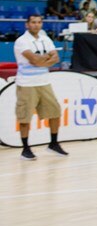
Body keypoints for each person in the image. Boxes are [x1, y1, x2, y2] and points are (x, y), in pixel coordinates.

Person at [15, 14, 68, 161]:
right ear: (27, 24)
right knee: (25, 117)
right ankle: (25, 149)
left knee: (55, 112)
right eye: (33, 22)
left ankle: (53, 143)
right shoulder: (22, 41)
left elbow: (55, 58)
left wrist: (41, 60)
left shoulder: (46, 39)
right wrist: (45, 58)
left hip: (44, 82)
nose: (36, 25)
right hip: (27, 84)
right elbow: (33, 59)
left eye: (39, 22)